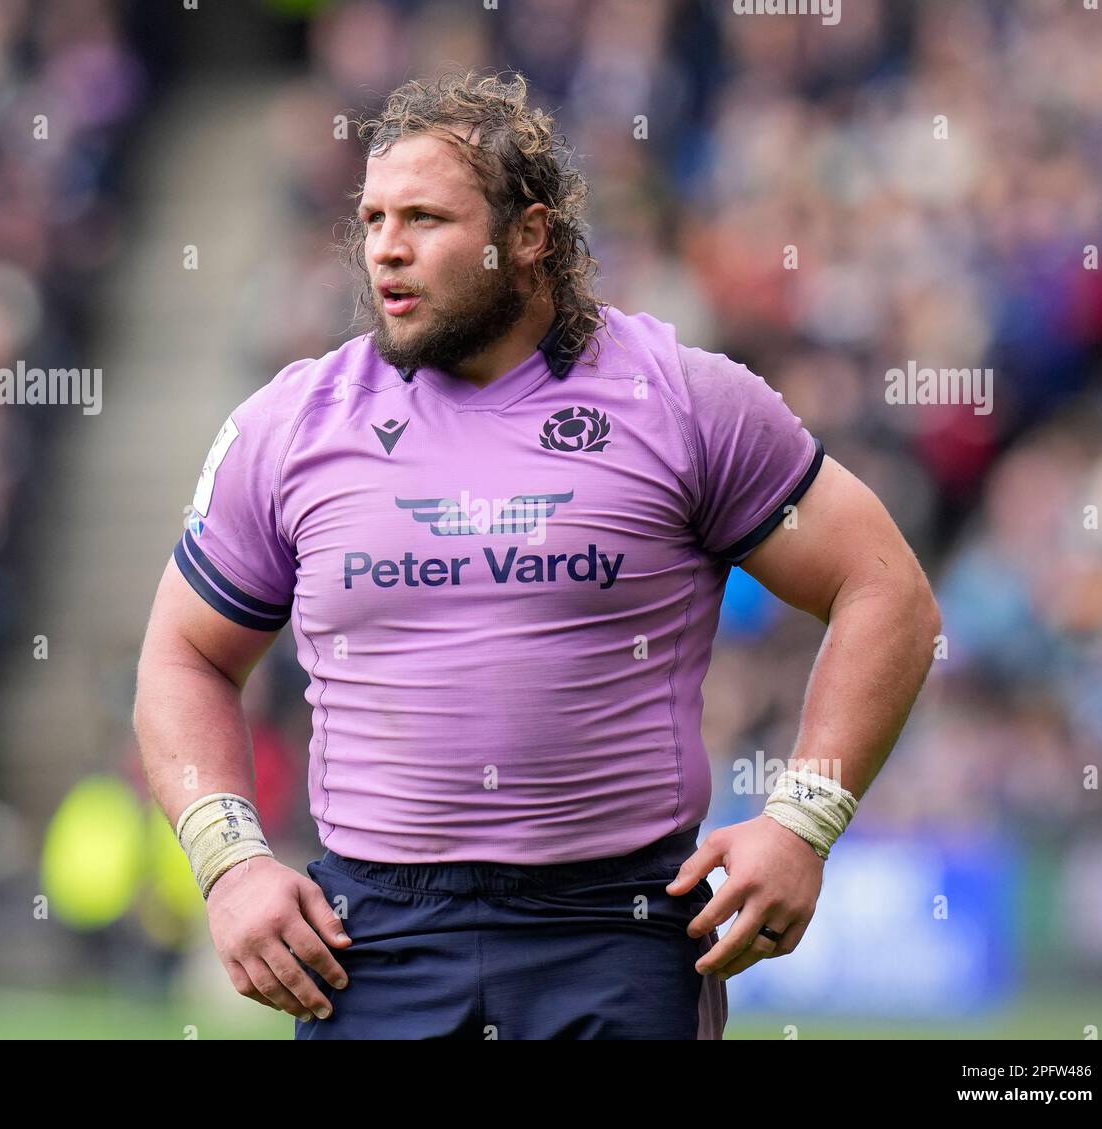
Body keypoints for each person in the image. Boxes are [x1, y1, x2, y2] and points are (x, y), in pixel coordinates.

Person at [133, 71, 940, 1040]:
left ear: (527, 235)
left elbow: (884, 589)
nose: (384, 246)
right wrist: (230, 864)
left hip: (616, 927)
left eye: (425, 217)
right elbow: (183, 654)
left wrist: (802, 820)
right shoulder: (291, 424)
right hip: (371, 941)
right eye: (372, 217)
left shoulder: (685, 401)